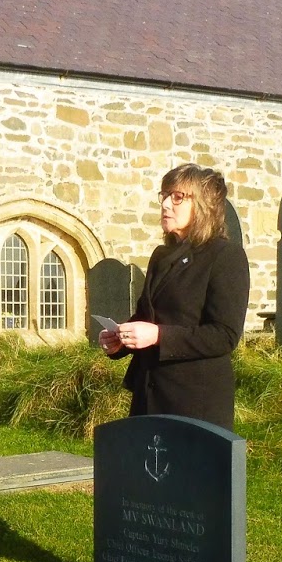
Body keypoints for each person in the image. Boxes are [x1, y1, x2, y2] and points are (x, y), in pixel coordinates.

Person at [100, 164, 251, 432]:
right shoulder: (161, 256)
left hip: (195, 401)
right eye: (165, 195)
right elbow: (147, 318)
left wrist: (158, 336)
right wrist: (121, 340)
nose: (166, 204)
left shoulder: (225, 256)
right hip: (149, 394)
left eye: (178, 197)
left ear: (203, 205)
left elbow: (224, 335)